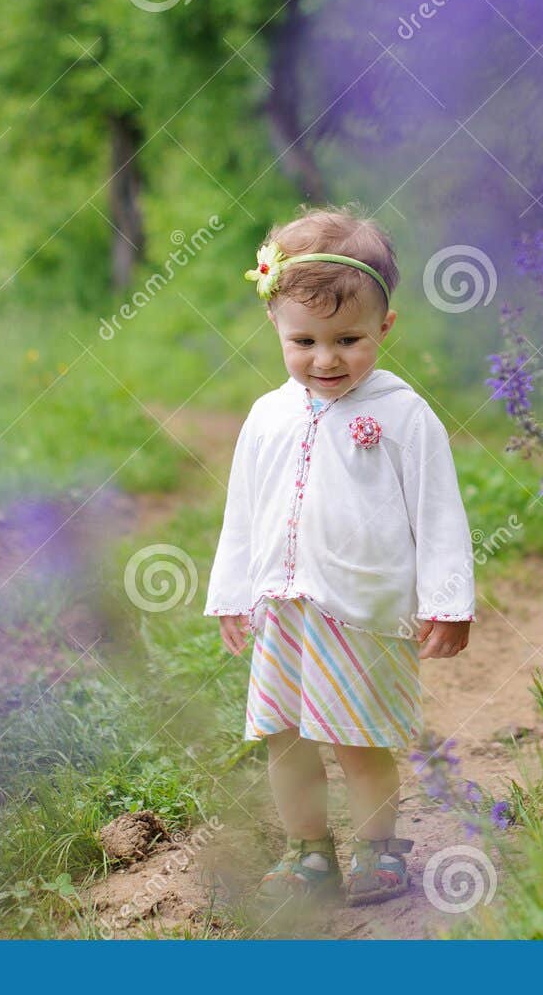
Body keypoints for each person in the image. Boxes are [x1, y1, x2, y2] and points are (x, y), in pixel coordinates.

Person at [203, 204, 476, 908]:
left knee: (357, 737)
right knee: (284, 737)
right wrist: (232, 592)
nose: (326, 359)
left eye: (348, 338)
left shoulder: (403, 415)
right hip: (284, 609)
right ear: (276, 327)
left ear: (385, 327)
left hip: (363, 610)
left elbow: (440, 513)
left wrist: (448, 600)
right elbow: (244, 512)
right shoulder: (267, 416)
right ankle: (308, 852)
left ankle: (380, 849)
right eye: (306, 341)